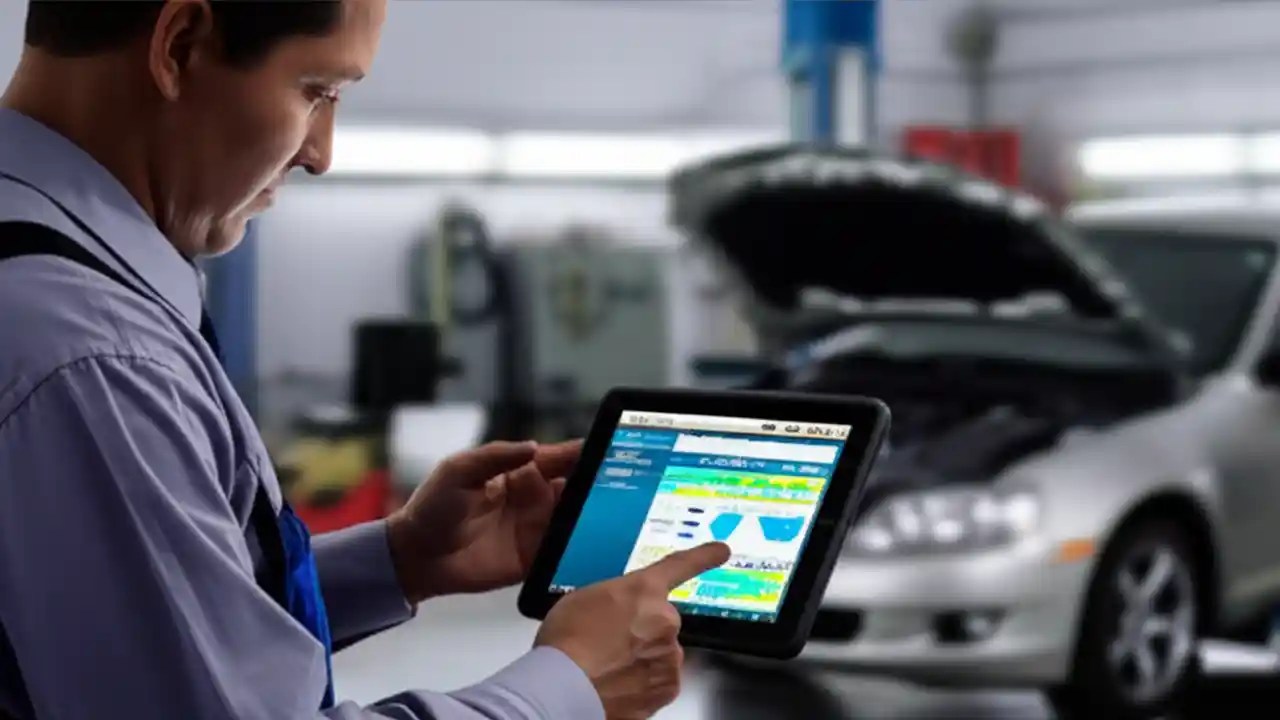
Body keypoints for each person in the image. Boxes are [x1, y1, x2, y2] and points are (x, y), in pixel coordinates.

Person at [0, 1, 730, 718]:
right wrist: (569, 685)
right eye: (318, 92)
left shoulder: (51, 288)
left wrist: (403, 559)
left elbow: (135, 635)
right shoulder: (93, 360)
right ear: (180, 44)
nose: (321, 153)